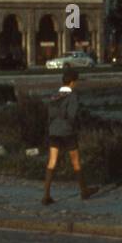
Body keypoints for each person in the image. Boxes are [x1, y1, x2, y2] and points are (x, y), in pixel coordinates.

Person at [42, 67, 97, 205]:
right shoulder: (72, 96)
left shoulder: (54, 95)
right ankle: (84, 191)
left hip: (53, 131)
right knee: (76, 162)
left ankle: (46, 195)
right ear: (72, 82)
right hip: (67, 132)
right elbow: (72, 116)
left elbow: (49, 115)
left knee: (52, 161)